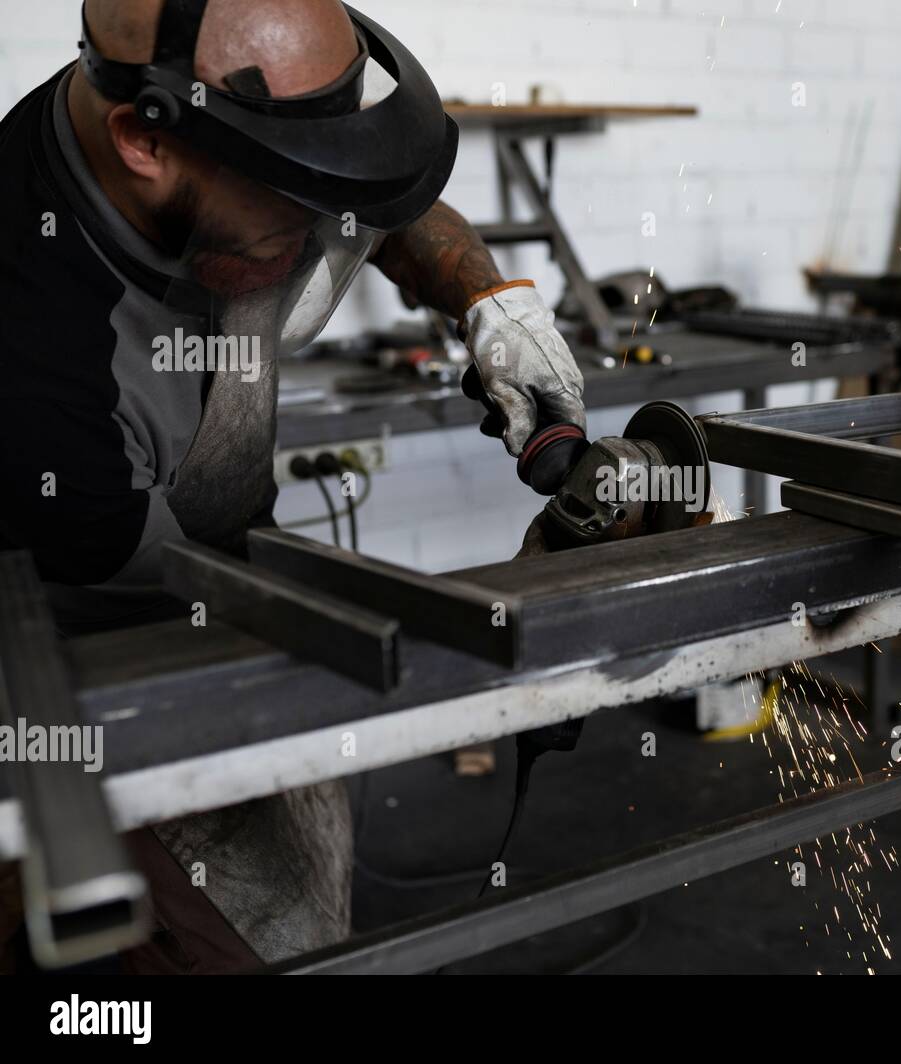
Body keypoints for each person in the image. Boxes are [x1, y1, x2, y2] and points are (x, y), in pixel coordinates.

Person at [0, 0, 585, 972]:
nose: (328, 230)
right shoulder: (38, 369)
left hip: (206, 571)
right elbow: (193, 641)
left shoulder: (207, 147)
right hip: (91, 684)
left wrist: (485, 295)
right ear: (145, 138)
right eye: (296, 201)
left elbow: (389, 208)